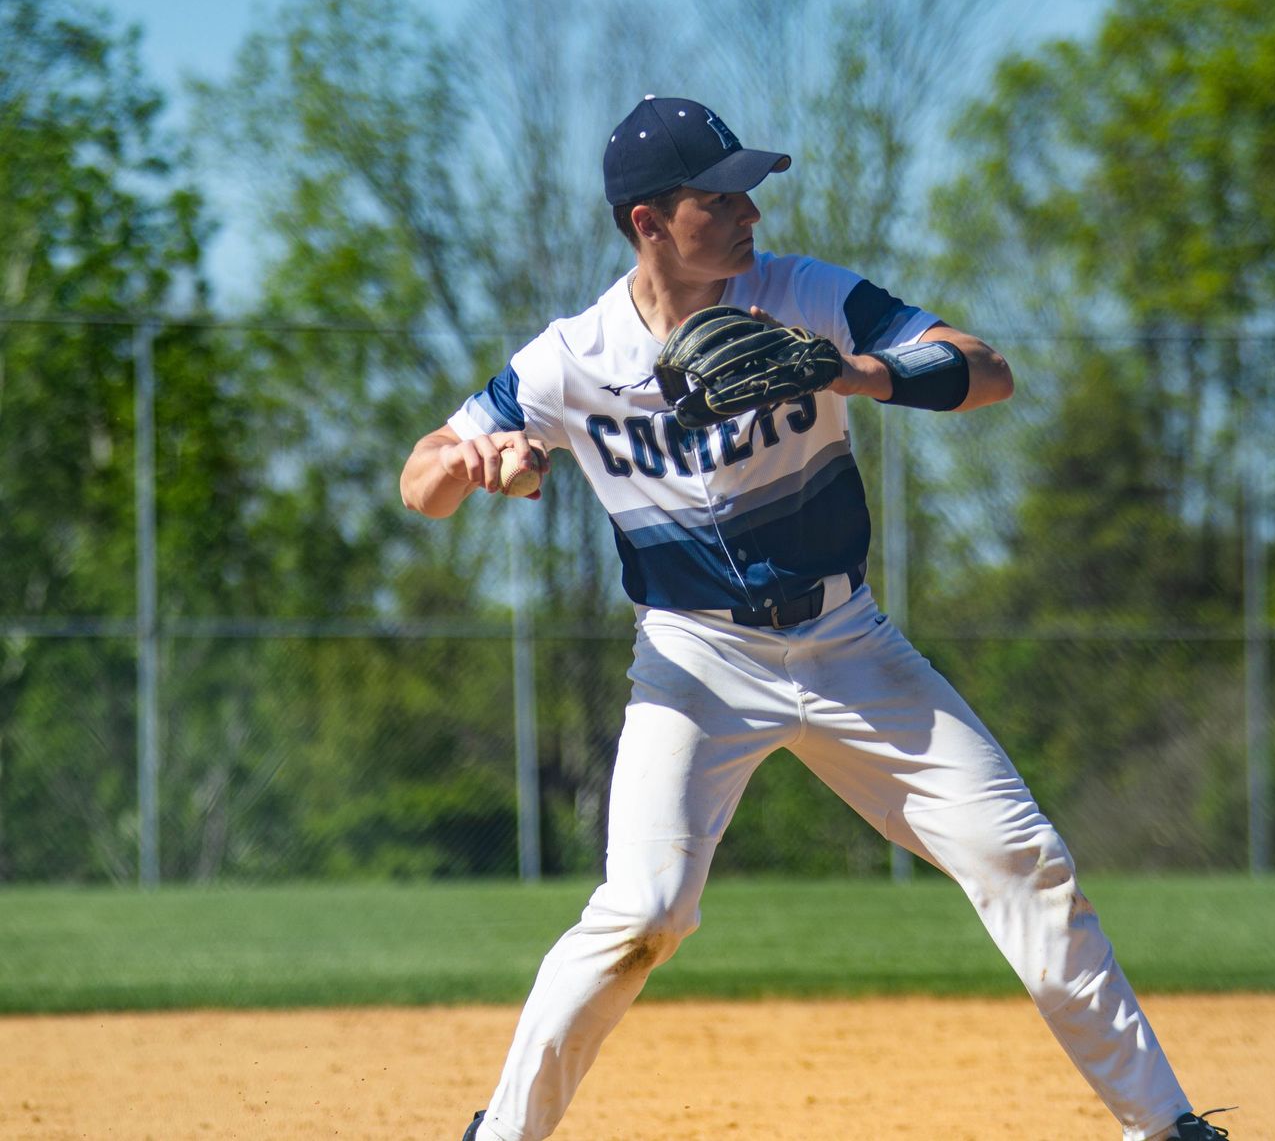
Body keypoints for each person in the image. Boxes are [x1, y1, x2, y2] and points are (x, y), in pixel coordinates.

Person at [400, 95, 1231, 1141]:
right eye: (721, 195)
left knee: (1025, 860)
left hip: (850, 646)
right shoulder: (572, 358)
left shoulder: (803, 295)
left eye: (751, 190)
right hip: (694, 665)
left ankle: (1165, 1127)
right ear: (647, 220)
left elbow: (988, 369)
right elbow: (419, 478)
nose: (751, 210)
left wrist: (856, 371)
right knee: (646, 912)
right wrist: (474, 463)